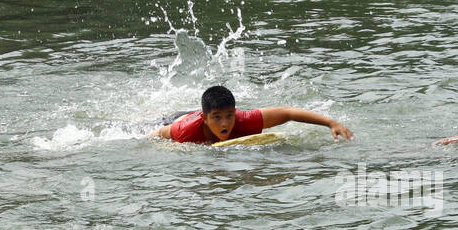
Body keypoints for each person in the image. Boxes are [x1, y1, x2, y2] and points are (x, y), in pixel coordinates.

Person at [148, 85, 353, 144]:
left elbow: (288, 112)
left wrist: (330, 123)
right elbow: (157, 134)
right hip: (178, 118)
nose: (225, 122)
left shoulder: (243, 120)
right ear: (206, 118)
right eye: (217, 117)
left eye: (229, 115)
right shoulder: (184, 132)